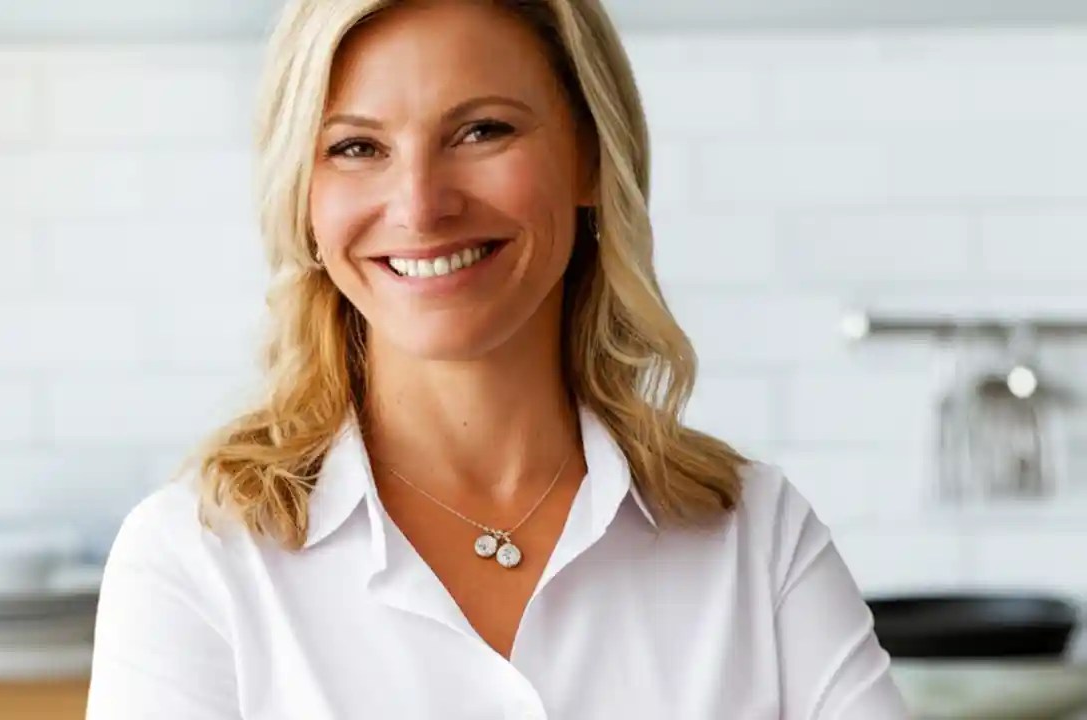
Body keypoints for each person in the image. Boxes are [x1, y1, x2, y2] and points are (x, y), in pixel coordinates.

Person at [86, 1, 909, 717]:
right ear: (303, 193)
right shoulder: (197, 563)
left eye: (482, 131)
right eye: (356, 148)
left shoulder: (756, 540)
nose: (419, 204)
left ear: (590, 154)